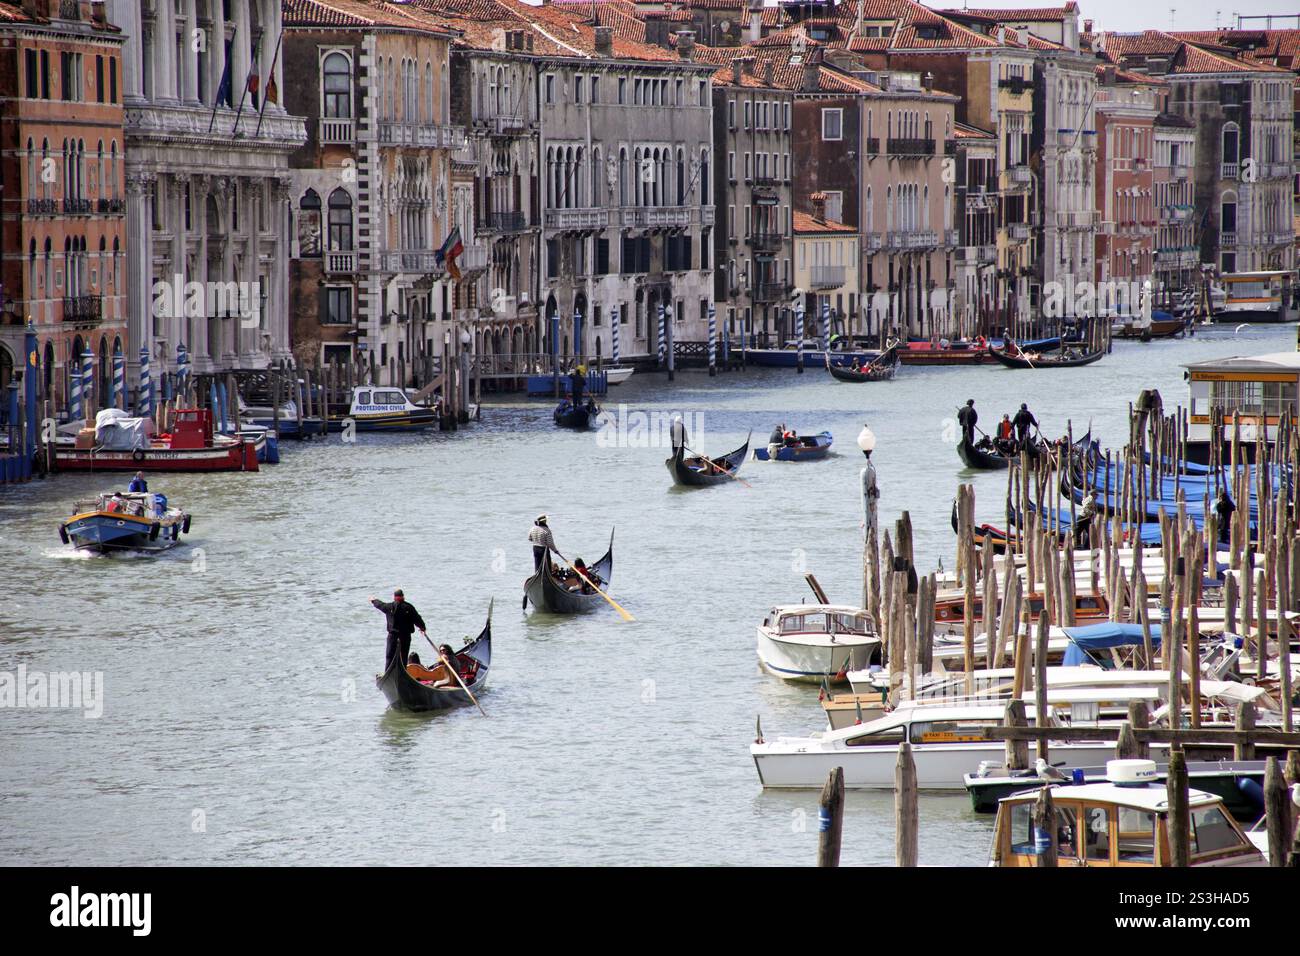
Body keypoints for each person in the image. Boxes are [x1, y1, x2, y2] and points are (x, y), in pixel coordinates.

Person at [370, 589, 427, 669]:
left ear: (394, 597)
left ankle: (388, 672)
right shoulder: (409, 607)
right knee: (403, 657)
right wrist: (422, 628)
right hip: (405, 636)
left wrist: (373, 600)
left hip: (393, 636)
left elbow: (380, 605)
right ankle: (402, 671)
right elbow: (417, 619)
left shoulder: (389, 607)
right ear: (403, 597)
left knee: (389, 656)